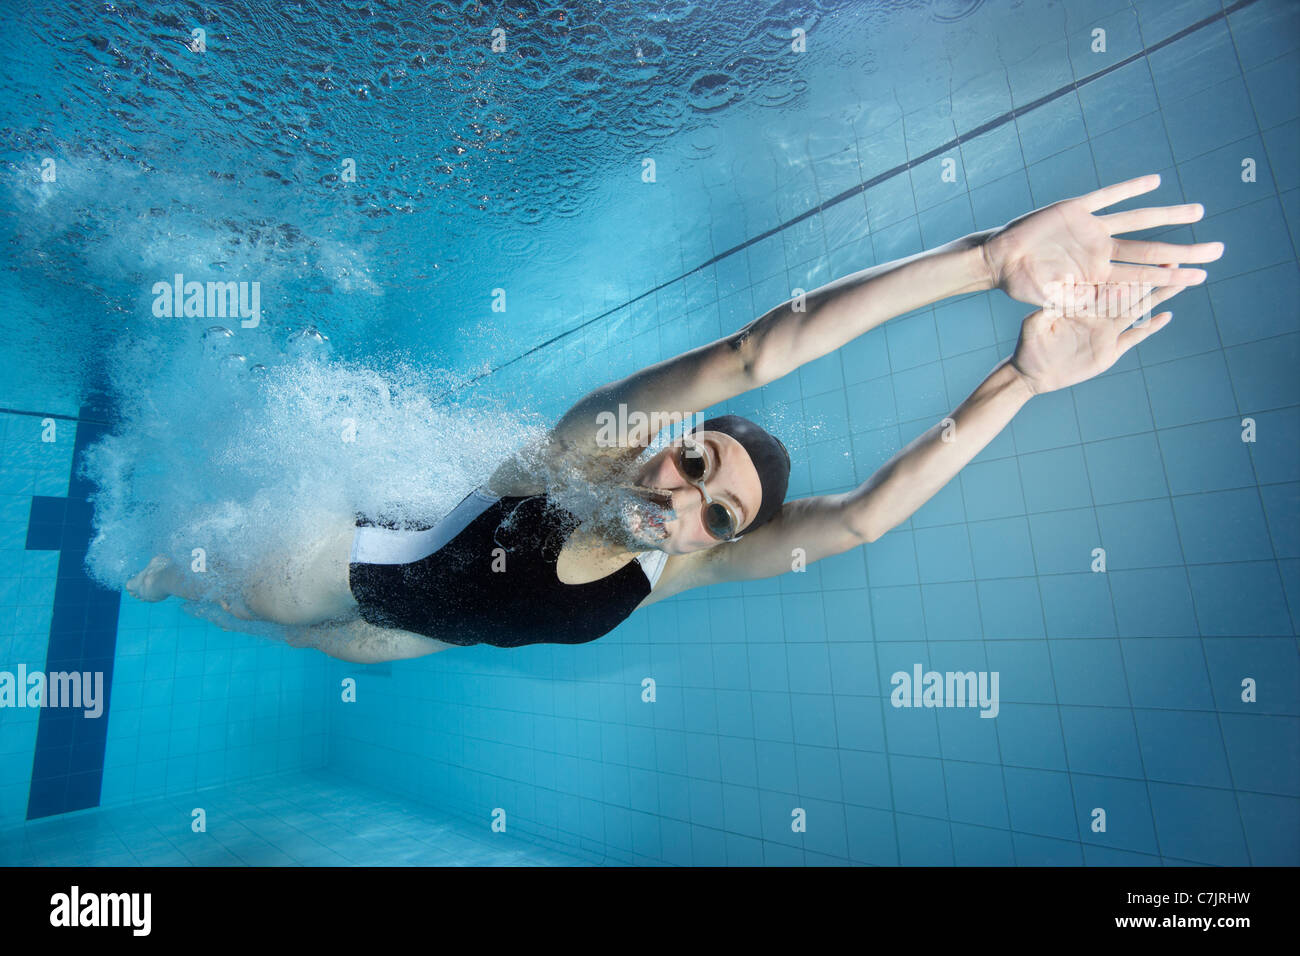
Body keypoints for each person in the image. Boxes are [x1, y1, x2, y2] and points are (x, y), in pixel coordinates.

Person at [126, 173, 1223, 662]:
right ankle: (175, 570)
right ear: (661, 440)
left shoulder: (679, 565)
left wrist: (1019, 379)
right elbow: (753, 353)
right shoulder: (568, 458)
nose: (688, 502)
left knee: (345, 657)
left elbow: (860, 519)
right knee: (249, 591)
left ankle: (200, 596)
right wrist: (981, 262)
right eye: (697, 462)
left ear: (723, 545)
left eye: (721, 515)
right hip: (334, 562)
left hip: (409, 634)